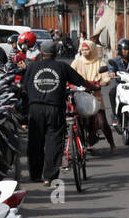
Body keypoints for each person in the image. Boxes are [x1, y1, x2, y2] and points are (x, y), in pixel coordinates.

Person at [24, 39, 93, 185]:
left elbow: (25, 87)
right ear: (55, 53)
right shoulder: (61, 66)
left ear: (41, 53)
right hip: (55, 108)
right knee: (54, 141)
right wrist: (93, 87)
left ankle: (36, 175)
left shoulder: (32, 67)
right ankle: (49, 177)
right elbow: (80, 81)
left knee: (35, 141)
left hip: (35, 108)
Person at [70, 38, 115, 154]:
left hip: (95, 96)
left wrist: (104, 81)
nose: (85, 52)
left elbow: (106, 76)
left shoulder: (100, 63)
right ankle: (79, 143)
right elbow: (69, 74)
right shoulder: (77, 62)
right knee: (75, 120)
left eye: (87, 50)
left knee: (102, 122)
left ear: (93, 50)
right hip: (80, 95)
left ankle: (112, 145)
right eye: (83, 50)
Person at [103, 38, 129, 132]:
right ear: (120, 50)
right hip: (120, 87)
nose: (127, 52)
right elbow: (111, 68)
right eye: (125, 49)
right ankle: (114, 115)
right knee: (112, 92)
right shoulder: (115, 60)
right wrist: (112, 73)